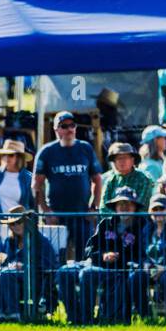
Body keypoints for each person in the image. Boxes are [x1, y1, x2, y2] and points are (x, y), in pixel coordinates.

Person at [62, 186, 150, 324]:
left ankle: (87, 320)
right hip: (100, 265)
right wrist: (103, 255)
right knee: (64, 272)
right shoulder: (105, 223)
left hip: (122, 270)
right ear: (115, 207)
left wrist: (121, 257)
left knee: (87, 274)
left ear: (135, 207)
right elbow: (90, 248)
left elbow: (144, 252)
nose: (124, 207)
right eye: (120, 204)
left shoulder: (143, 225)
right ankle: (74, 317)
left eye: (128, 203)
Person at [33, 111, 102, 261]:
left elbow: (97, 179)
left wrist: (94, 207)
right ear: (56, 129)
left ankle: (83, 283)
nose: (69, 129)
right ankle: (57, 284)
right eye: (64, 126)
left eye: (72, 125)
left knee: (85, 256)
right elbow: (36, 185)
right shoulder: (46, 152)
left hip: (82, 215)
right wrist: (46, 211)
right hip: (57, 216)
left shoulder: (86, 148)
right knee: (56, 257)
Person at [0, 205, 59, 321]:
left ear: (26, 222)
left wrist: (24, 266)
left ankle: (13, 314)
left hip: (33, 280)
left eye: (19, 222)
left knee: (7, 273)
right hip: (8, 276)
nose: (16, 226)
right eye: (12, 224)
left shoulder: (40, 241)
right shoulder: (8, 241)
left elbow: (48, 265)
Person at [0, 139, 35, 221]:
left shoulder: (28, 178)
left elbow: (32, 204)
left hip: (19, 225)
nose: (6, 157)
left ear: (19, 157)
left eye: (11, 155)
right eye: (4, 154)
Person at [99, 142, 152, 212]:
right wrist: (117, 220)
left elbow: (144, 205)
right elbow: (103, 207)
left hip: (139, 222)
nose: (121, 161)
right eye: (118, 158)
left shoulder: (144, 179)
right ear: (114, 162)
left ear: (132, 160)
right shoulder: (110, 181)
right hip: (113, 222)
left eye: (125, 158)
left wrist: (129, 219)